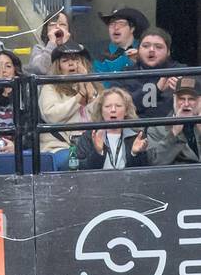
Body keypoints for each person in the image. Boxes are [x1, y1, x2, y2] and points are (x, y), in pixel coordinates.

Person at [39, 41, 100, 169]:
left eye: (76, 60)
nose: (72, 64)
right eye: (65, 61)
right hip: (62, 146)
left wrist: (87, 82)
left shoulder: (95, 85)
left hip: (93, 143)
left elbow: (101, 114)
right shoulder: (50, 87)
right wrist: (79, 98)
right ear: (59, 66)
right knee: (72, 162)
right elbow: (52, 116)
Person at [71, 87, 151, 170]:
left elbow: (143, 175)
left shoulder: (137, 137)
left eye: (118, 106)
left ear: (126, 111)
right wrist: (97, 153)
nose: (113, 110)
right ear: (101, 111)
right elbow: (81, 170)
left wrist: (134, 154)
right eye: (108, 106)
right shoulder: (88, 137)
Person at [147, 76, 201, 166]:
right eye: (181, 99)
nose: (186, 104)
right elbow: (155, 163)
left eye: (191, 99)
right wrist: (174, 133)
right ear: (174, 99)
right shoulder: (156, 129)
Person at [92, 5, 147, 75]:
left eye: (121, 23)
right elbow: (102, 85)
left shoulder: (146, 50)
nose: (116, 27)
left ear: (132, 28)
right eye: (112, 24)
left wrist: (141, 61)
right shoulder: (101, 59)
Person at [28, 10, 73, 75]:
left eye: (62, 24)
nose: (57, 27)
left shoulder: (79, 49)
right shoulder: (38, 49)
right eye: (52, 24)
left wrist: (65, 45)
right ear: (46, 30)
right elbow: (40, 69)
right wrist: (52, 43)